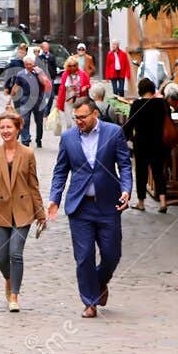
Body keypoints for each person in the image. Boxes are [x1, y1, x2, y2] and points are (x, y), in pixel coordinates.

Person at [48, 96, 133, 318]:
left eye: (83, 117)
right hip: (80, 206)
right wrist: (54, 198)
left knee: (112, 254)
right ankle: (89, 301)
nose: (79, 121)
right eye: (75, 118)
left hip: (108, 204)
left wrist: (126, 189)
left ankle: (99, 281)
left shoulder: (113, 133)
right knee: (84, 256)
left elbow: (124, 164)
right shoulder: (68, 138)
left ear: (95, 114)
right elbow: (60, 171)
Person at [0, 110, 45, 313]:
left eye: (9, 127)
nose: (5, 131)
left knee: (16, 253)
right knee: (2, 258)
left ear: (17, 129)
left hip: (23, 211)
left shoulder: (28, 154)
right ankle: (9, 278)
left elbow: (34, 185)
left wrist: (40, 213)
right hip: (0, 211)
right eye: (3, 127)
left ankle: (14, 295)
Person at [128, 78, 172, 213]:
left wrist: (127, 138)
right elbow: (169, 120)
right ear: (152, 89)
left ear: (140, 90)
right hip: (158, 142)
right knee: (159, 171)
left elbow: (130, 125)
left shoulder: (136, 104)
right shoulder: (162, 103)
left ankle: (141, 202)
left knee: (141, 172)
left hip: (141, 143)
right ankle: (163, 201)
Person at [5, 52, 52, 147]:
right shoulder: (20, 74)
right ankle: (25, 141)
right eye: (27, 64)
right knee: (24, 120)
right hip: (25, 99)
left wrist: (39, 73)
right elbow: (16, 86)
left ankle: (39, 139)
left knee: (39, 122)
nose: (29, 66)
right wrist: (9, 99)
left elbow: (44, 83)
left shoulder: (39, 72)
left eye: (31, 64)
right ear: (24, 65)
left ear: (33, 64)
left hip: (38, 100)